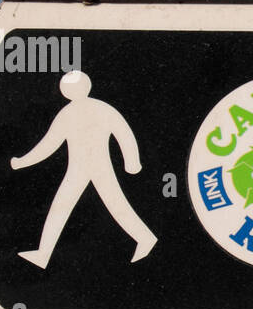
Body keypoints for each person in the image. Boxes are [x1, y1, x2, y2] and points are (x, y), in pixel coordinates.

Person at [11, 70, 157, 269]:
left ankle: (146, 238)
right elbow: (49, 145)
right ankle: (43, 253)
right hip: (78, 169)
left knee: (115, 206)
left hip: (98, 166)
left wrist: (132, 161)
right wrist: (22, 162)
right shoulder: (78, 112)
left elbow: (123, 132)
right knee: (63, 206)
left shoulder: (88, 110)